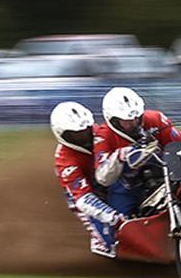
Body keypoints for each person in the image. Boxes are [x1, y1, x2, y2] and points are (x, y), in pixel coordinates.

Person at [93, 86, 181, 216]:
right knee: (119, 222)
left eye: (137, 118)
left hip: (167, 174)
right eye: (127, 121)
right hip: (129, 186)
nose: (134, 123)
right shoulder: (103, 136)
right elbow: (102, 177)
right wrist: (122, 155)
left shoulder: (155, 119)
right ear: (113, 120)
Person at [51, 100, 125, 258]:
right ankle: (102, 241)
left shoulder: (102, 133)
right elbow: (83, 199)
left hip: (112, 178)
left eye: (86, 130)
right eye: (76, 134)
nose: (84, 136)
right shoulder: (65, 160)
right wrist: (112, 217)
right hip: (86, 194)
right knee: (108, 244)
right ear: (61, 134)